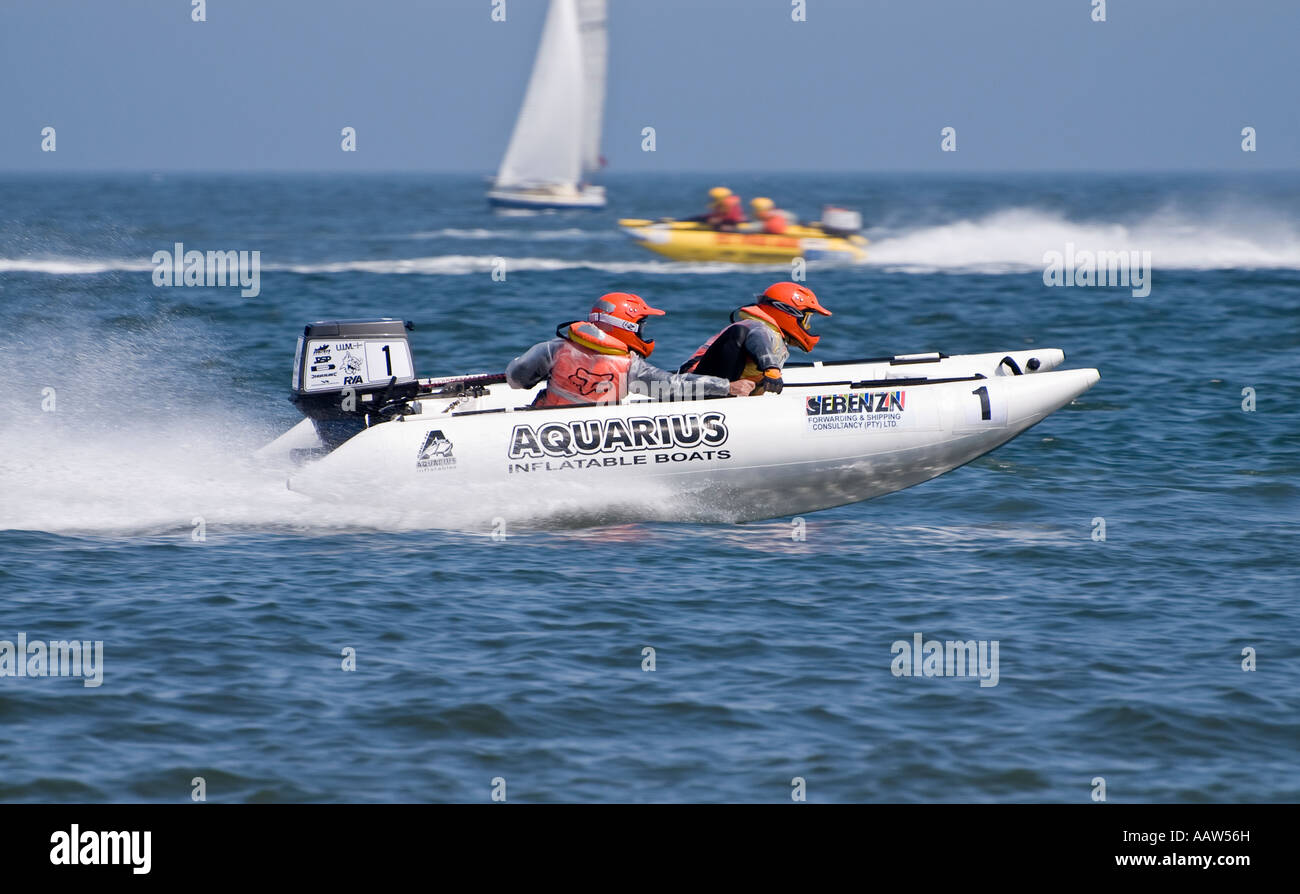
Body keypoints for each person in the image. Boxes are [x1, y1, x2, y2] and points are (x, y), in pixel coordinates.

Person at [506, 292, 750, 407]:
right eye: (639, 325)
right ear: (624, 326)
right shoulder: (630, 366)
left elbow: (516, 379)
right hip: (596, 436)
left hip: (544, 426)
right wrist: (727, 387)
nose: (641, 332)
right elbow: (675, 387)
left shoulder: (555, 349)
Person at [679, 282, 831, 396]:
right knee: (739, 332)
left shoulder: (774, 335)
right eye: (806, 320)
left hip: (713, 386)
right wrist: (771, 370)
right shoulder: (756, 326)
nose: (807, 327)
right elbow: (755, 334)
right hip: (694, 385)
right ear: (787, 312)